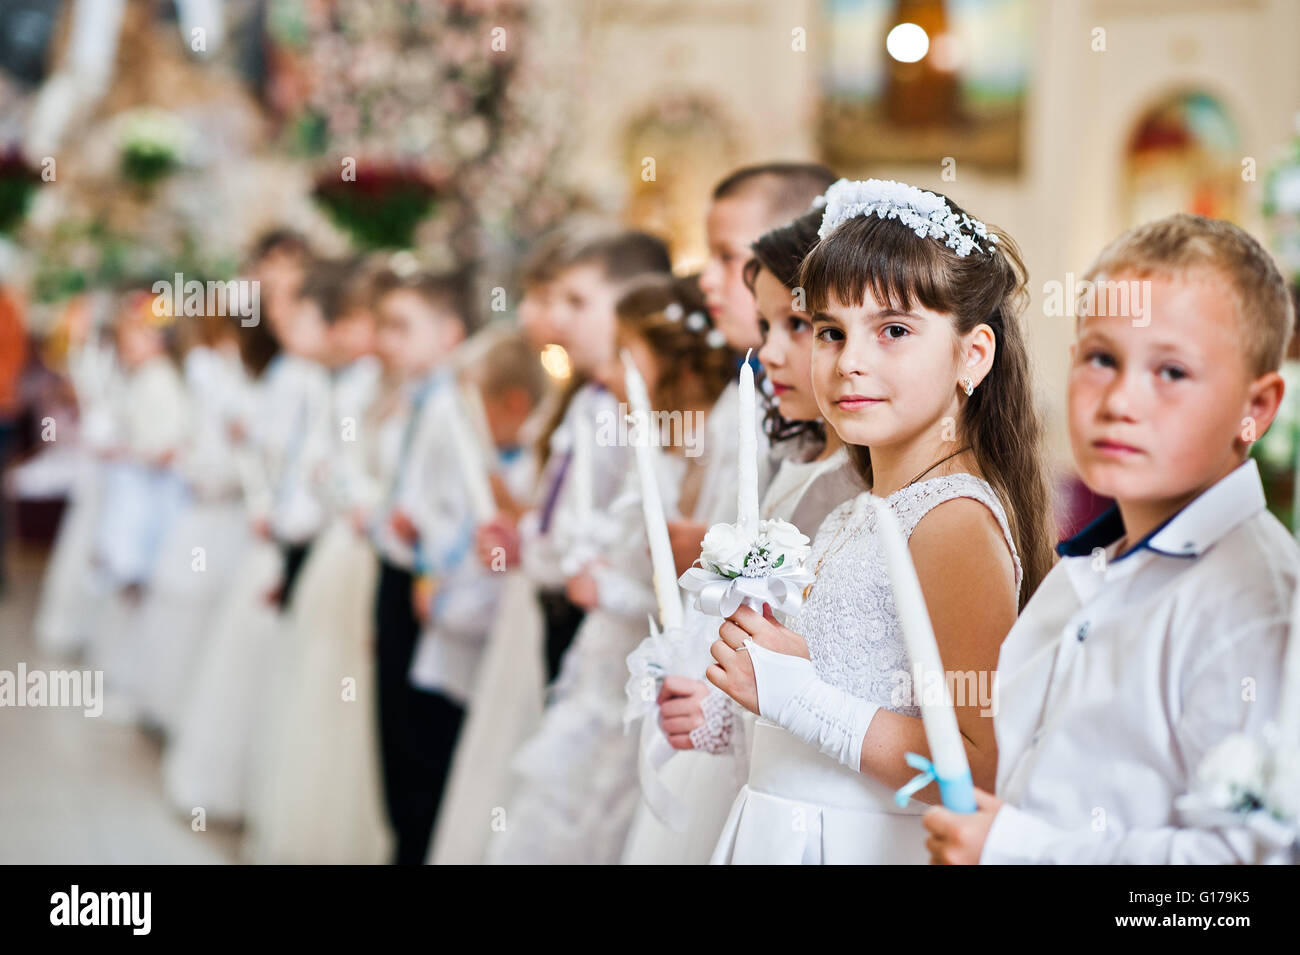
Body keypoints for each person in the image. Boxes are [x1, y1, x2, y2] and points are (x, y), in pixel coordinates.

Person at [922, 214, 1300, 865]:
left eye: (1172, 371)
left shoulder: (1251, 602)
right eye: (1102, 358)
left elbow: (1235, 880)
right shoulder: (1082, 572)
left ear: (1257, 408)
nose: (1121, 400)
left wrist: (1016, 849)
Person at [706, 178, 1054, 864]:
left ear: (972, 355)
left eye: (893, 330)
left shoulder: (953, 519)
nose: (850, 361)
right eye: (830, 331)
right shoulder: (862, 510)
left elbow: (977, 769)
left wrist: (797, 695)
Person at [622, 206, 862, 864]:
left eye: (802, 325)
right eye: (765, 327)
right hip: (742, 757)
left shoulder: (854, 491)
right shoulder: (798, 465)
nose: (772, 351)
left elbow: (837, 663)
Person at [490, 274, 737, 864]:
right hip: (607, 655)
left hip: (643, 657)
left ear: (670, 360)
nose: (605, 373)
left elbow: (687, 590)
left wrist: (607, 583)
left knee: (612, 807)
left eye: (625, 355)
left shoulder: (713, 441)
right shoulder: (650, 437)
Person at [406, 327, 548, 853]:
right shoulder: (482, 459)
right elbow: (441, 521)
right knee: (432, 754)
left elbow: (526, 541)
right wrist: (428, 574)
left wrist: (506, 509)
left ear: (513, 403)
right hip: (453, 608)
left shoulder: (532, 459)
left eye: (479, 409)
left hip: (498, 626)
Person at [368, 271, 471, 865]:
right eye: (383, 327)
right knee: (391, 729)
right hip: (395, 570)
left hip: (427, 583)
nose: (387, 341)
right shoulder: (409, 399)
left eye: (402, 327)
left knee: (417, 734)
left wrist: (428, 558)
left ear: (449, 333)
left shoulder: (454, 405)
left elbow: (456, 503)